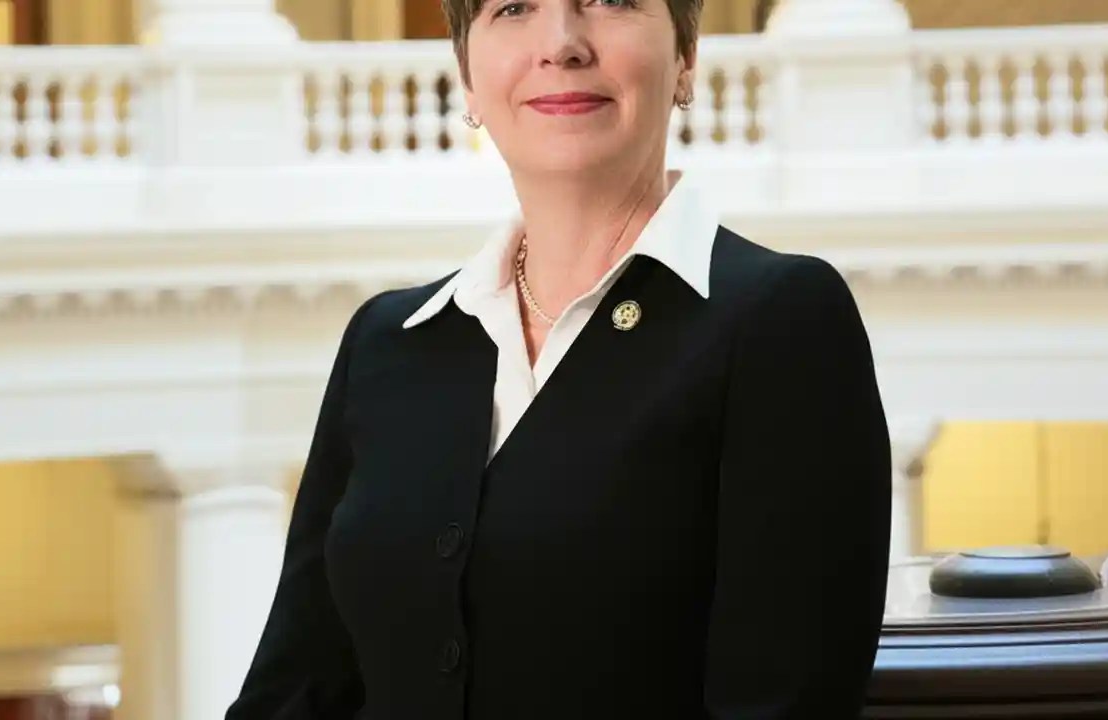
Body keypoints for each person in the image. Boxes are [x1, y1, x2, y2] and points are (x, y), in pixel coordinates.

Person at [226, 0, 891, 717]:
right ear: (468, 76)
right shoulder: (386, 342)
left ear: (686, 57)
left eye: (610, 1)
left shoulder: (781, 321)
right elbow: (292, 692)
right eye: (514, 7)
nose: (562, 44)